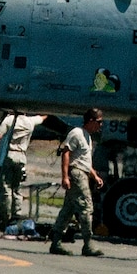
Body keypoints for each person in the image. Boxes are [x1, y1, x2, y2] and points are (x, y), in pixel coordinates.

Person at [50, 107, 105, 257]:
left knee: (68, 210)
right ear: (91, 121)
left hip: (82, 173)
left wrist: (95, 176)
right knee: (86, 208)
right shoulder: (77, 133)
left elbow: (84, 162)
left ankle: (56, 242)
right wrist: (65, 177)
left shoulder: (87, 137)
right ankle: (88, 244)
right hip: (77, 175)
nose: (101, 125)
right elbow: (66, 154)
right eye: (99, 122)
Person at [0, 111, 44, 229]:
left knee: (6, 187)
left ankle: (6, 216)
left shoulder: (9, 120)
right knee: (17, 187)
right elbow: (42, 118)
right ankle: (16, 215)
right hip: (22, 156)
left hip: (9, 154)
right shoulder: (30, 121)